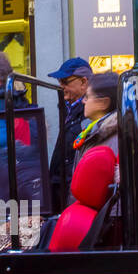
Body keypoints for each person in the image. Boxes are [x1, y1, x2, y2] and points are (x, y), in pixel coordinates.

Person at [47, 57, 93, 210]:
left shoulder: (89, 112)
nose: (61, 86)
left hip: (72, 190)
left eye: (65, 82)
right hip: (62, 187)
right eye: (60, 82)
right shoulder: (68, 106)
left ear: (83, 82)